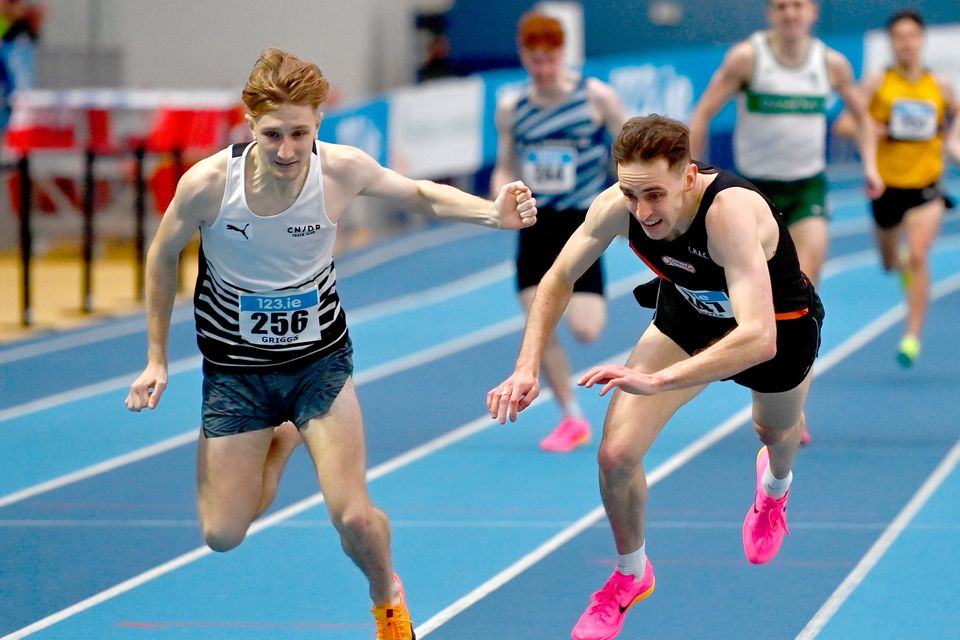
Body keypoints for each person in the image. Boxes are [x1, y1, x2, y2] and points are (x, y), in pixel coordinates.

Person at [125, 48, 537, 640]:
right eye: (273, 135)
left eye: (300, 132)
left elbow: (420, 194)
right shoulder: (209, 184)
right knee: (222, 534)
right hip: (236, 374)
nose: (288, 150)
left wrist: (492, 215)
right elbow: (162, 256)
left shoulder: (340, 170)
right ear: (249, 124)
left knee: (352, 516)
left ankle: (387, 598)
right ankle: (286, 436)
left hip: (319, 366)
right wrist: (157, 357)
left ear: (319, 123)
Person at [488, 115, 823, 640]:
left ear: (688, 176)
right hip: (687, 317)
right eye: (630, 193)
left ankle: (775, 490)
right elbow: (557, 278)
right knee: (615, 454)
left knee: (774, 431)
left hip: (776, 326)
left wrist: (660, 382)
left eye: (655, 196)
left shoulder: (729, 214)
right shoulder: (617, 208)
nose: (642, 212)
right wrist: (527, 364)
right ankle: (629, 576)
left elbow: (758, 337)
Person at [687, 0, 879, 445]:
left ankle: (795, 408)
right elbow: (702, 114)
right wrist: (690, 177)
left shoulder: (830, 64)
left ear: (813, 11)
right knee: (760, 300)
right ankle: (773, 393)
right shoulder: (747, 59)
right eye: (781, 6)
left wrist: (871, 164)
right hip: (754, 193)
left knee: (801, 292)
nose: (790, 14)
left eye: (798, 6)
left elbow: (864, 117)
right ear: (771, 13)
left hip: (806, 189)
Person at [490, 11, 626, 452]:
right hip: (535, 223)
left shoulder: (595, 98)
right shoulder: (513, 107)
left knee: (587, 330)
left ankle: (563, 300)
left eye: (550, 59)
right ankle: (571, 417)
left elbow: (630, 154)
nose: (543, 69)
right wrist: (500, 199)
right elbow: (505, 165)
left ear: (562, 54)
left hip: (582, 225)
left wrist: (624, 202)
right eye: (534, 60)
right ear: (524, 56)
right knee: (539, 325)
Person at [835, 9, 960, 367]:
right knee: (891, 263)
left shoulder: (940, 87)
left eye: (912, 36)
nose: (906, 42)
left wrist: (951, 140)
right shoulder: (878, 83)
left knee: (919, 255)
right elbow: (845, 125)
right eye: (899, 37)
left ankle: (911, 337)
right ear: (892, 42)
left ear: (922, 40)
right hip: (886, 188)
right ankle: (898, 261)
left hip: (927, 187)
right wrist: (883, 129)